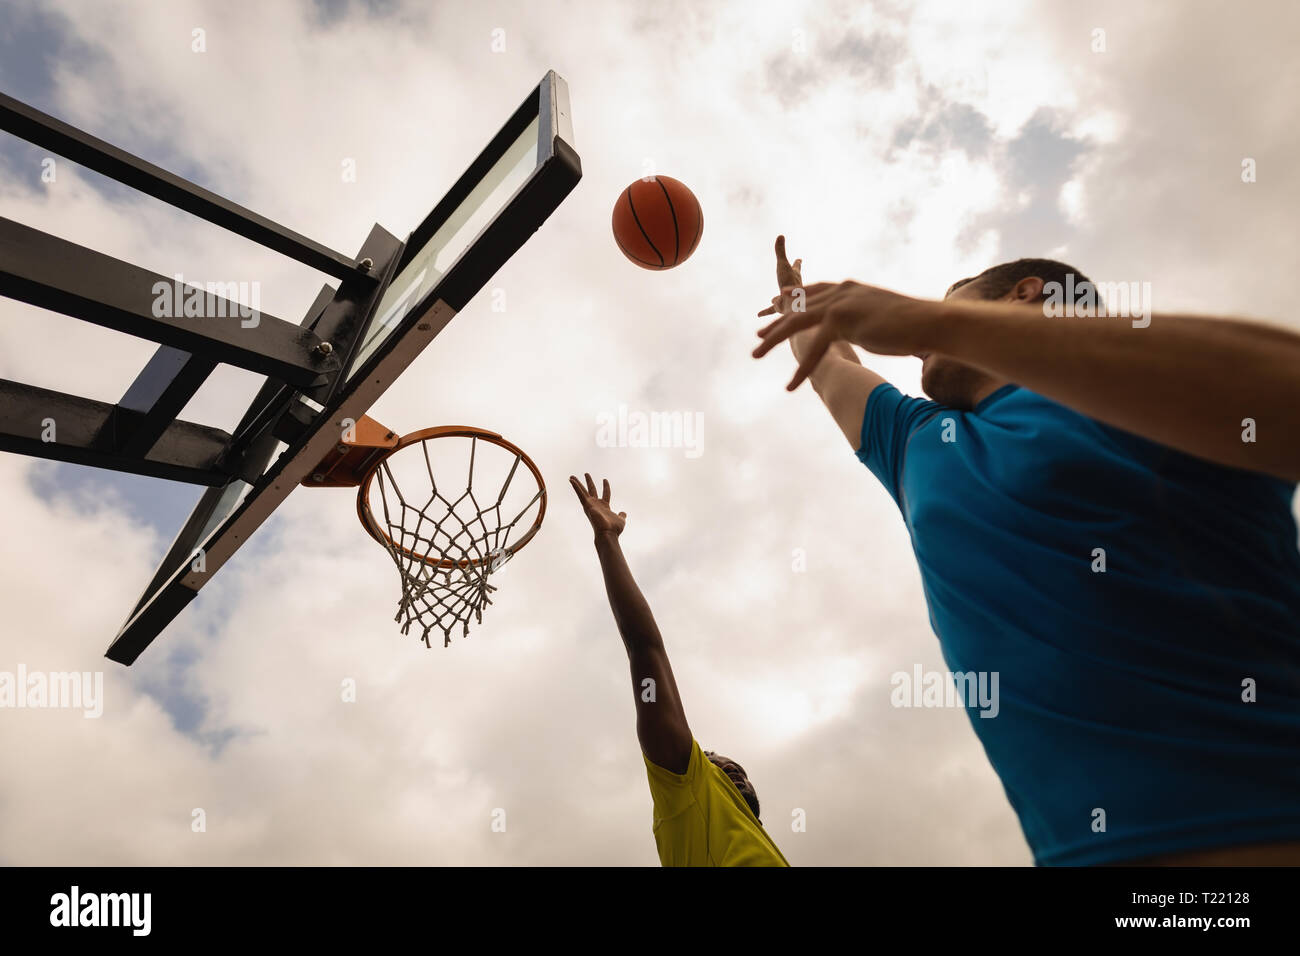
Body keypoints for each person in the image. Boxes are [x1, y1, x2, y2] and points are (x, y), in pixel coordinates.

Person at [753, 237, 1300, 865]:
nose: (920, 340)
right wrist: (803, 306)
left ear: (1026, 294)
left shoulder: (1142, 386)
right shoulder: (917, 445)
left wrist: (931, 319)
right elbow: (828, 366)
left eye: (950, 303)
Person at [569, 474, 789, 867]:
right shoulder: (687, 785)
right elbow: (645, 649)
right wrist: (607, 541)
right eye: (718, 765)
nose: (733, 770)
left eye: (737, 769)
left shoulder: (753, 837)